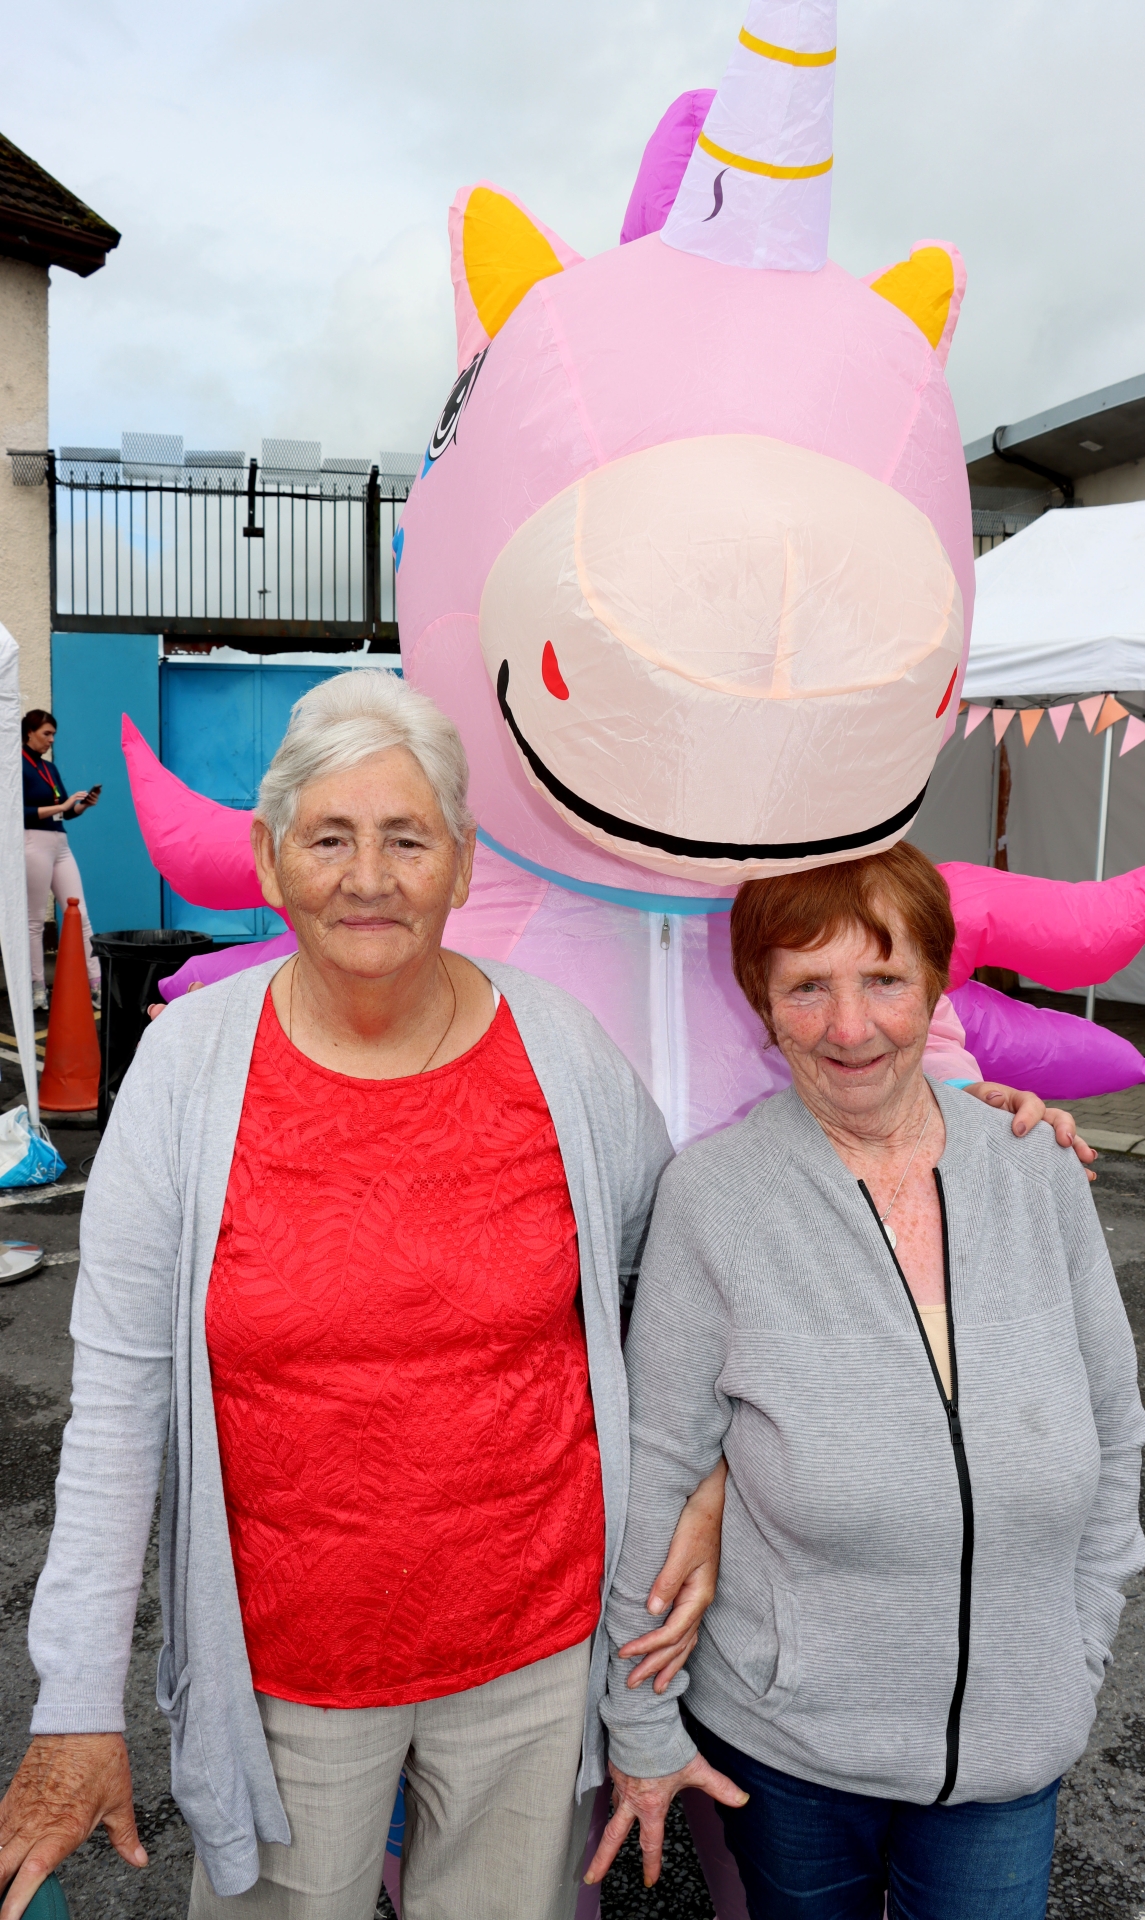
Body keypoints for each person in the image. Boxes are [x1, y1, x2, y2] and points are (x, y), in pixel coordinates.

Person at [0, 673, 724, 1920]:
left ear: (462, 863)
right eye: (329, 838)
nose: (369, 878)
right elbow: (117, 1407)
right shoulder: (187, 1070)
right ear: (269, 862)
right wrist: (73, 1707)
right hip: (283, 1672)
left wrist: (931, 1123)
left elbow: (684, 1276)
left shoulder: (559, 1051)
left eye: (406, 839)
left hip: (534, 1654)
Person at [590, 843, 1145, 1920]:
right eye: (807, 986)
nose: (849, 1028)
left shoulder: (1034, 1169)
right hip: (790, 1751)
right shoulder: (714, 1197)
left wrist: (1074, 1653)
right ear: (762, 1004)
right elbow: (656, 1477)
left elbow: (1113, 1428)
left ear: (935, 984)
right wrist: (642, 1721)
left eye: (884, 979)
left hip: (1011, 1750)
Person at [21, 710, 101, 1013]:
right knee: (35, 921)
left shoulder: (49, 768)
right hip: (33, 842)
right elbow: (17, 812)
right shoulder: (15, 765)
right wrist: (62, 806)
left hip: (59, 843)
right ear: (29, 733)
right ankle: (37, 987)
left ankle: (96, 983)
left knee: (80, 914)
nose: (51, 740)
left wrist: (82, 806)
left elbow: (66, 811)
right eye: (46, 734)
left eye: (53, 734)